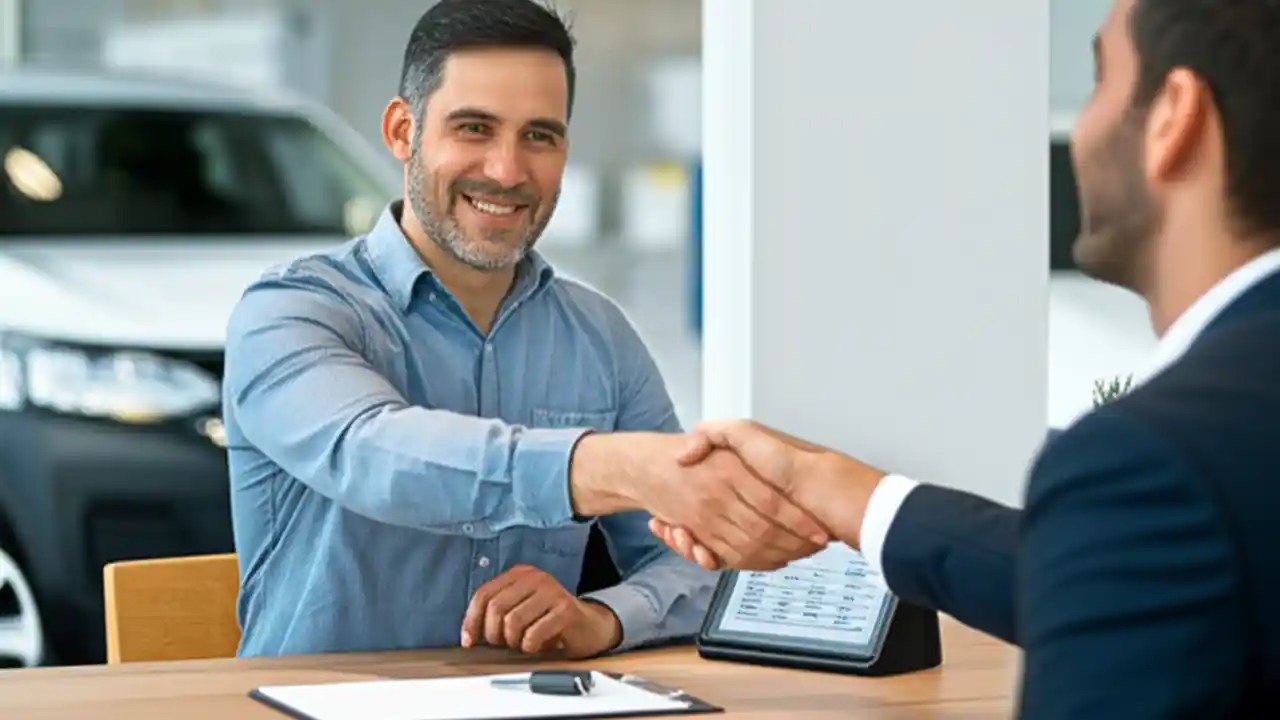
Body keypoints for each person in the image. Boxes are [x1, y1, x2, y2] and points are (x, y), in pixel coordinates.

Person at [653, 0, 1280, 716]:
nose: (1081, 130)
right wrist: (836, 488)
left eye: (1101, 81)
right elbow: (1138, 579)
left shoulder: (1156, 461)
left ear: (1175, 117)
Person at [223, 0, 826, 660]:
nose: (508, 171)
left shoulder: (599, 336)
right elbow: (373, 454)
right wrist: (605, 464)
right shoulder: (289, 312)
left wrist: (605, 615)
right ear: (403, 131)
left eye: (540, 136)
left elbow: (697, 558)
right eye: (475, 128)